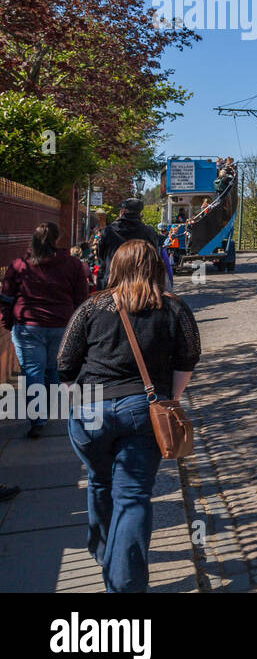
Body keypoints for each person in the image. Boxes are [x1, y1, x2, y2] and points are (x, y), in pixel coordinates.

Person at [57, 239, 201, 593]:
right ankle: (125, 583)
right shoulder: (174, 309)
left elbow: (64, 364)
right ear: (156, 267)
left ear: (114, 267)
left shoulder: (91, 308)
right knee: (133, 496)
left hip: (91, 413)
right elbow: (188, 358)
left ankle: (105, 551)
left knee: (99, 480)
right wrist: (167, 400)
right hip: (143, 409)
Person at [1, 223, 89, 437]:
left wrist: (6, 320)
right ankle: (49, 408)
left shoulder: (20, 265)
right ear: (58, 239)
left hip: (28, 325)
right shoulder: (72, 264)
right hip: (61, 324)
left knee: (32, 371)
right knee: (52, 369)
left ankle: (37, 419)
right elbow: (81, 298)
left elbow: (6, 297)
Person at [95, 199, 163, 291]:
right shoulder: (148, 232)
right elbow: (155, 256)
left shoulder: (109, 231)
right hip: (141, 284)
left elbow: (101, 256)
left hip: (112, 283)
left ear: (123, 211)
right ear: (139, 213)